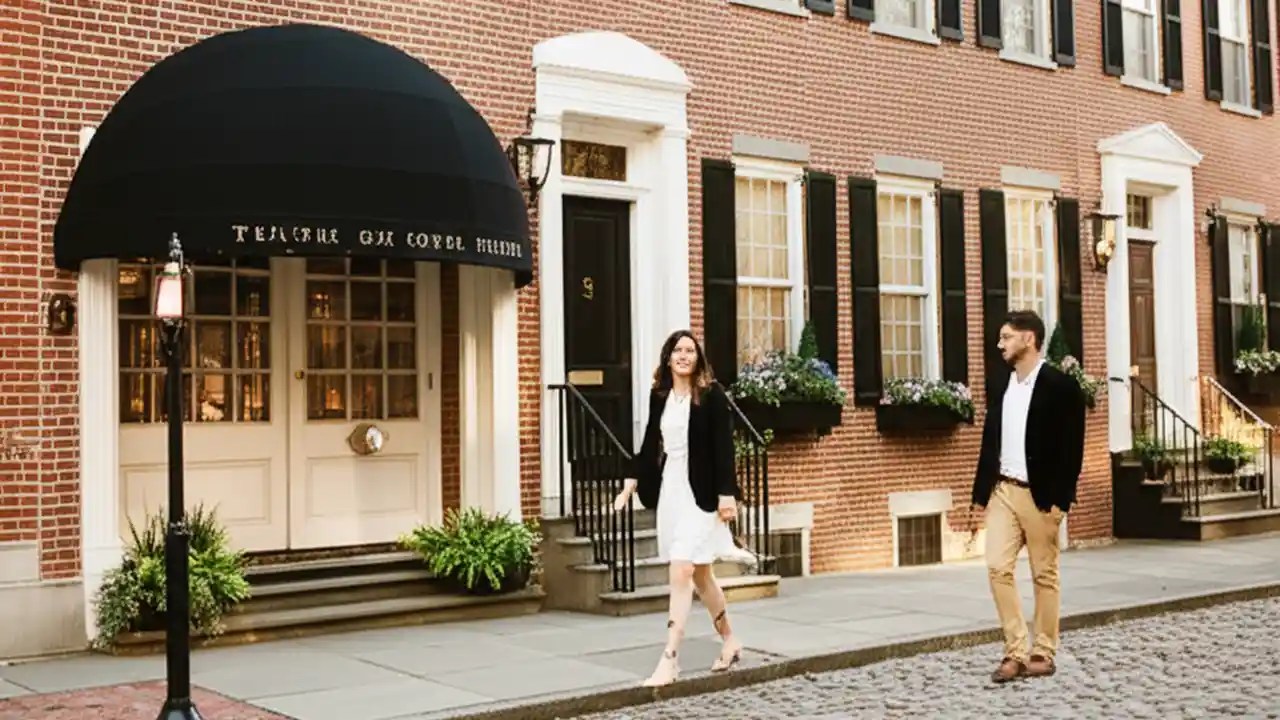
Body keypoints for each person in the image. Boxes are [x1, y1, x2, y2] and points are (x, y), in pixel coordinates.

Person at [612, 329, 753, 687]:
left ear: (698, 358)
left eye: (690, 350)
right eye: (678, 350)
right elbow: (649, 442)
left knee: (682, 569)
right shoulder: (660, 396)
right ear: (668, 358)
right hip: (673, 491)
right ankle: (730, 640)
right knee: (702, 576)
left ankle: (670, 659)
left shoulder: (712, 396)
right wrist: (631, 480)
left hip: (703, 494)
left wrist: (727, 494)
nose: (684, 355)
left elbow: (724, 449)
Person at [970, 309, 1085, 684]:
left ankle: (1043, 651)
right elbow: (990, 443)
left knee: (1043, 573)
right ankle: (1015, 649)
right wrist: (979, 496)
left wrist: (1060, 502)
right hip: (1003, 489)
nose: (1000, 343)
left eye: (1007, 336)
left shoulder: (1060, 387)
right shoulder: (1001, 384)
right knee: (997, 568)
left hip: (1040, 497)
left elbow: (1073, 449)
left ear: (1029, 339)